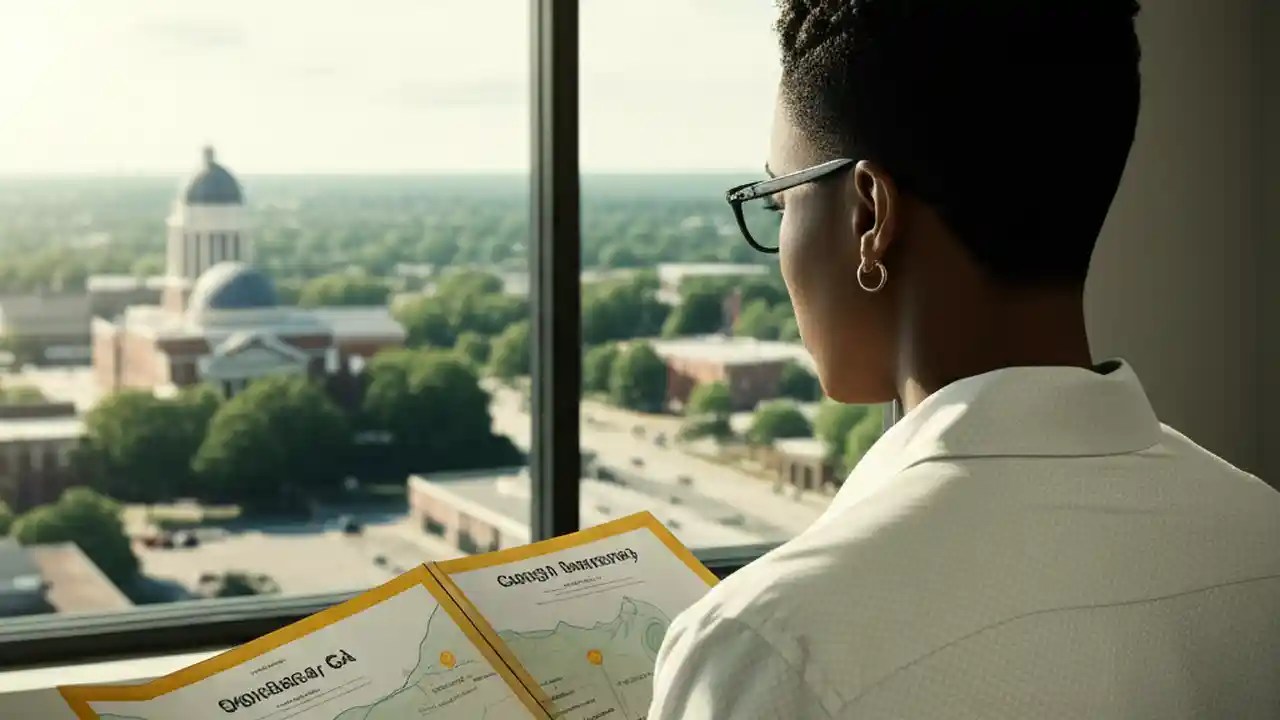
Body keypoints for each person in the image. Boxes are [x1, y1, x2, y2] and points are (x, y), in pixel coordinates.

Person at [647, 1, 1280, 718]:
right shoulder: (1262, 533)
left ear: (868, 216)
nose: (780, 241)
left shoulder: (773, 645)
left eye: (777, 202)